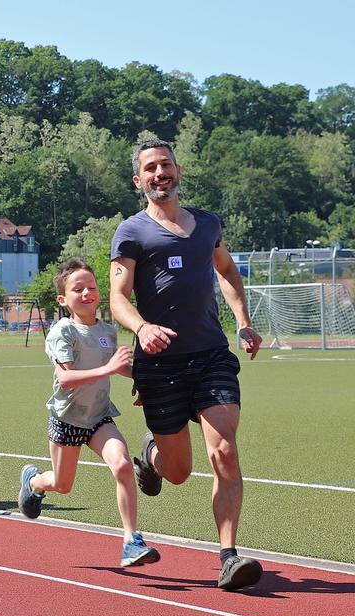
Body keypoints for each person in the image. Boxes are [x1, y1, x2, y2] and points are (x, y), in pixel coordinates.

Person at [109, 138, 264, 591]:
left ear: (178, 170)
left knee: (225, 451)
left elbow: (228, 272)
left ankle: (229, 558)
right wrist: (141, 328)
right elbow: (118, 297)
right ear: (139, 181)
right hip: (159, 365)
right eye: (150, 169)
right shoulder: (131, 232)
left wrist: (243, 322)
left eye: (166, 165)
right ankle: (152, 456)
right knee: (177, 472)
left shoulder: (208, 225)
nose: (160, 173)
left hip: (212, 355)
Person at [18, 259, 160, 567]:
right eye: (77, 289)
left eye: (92, 287)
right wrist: (108, 367)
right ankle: (33, 483)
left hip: (98, 417)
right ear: (63, 299)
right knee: (62, 485)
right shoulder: (62, 332)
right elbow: (66, 380)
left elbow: (120, 366)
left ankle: (131, 540)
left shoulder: (108, 330)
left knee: (122, 465)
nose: (87, 293)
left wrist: (142, 379)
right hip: (67, 419)